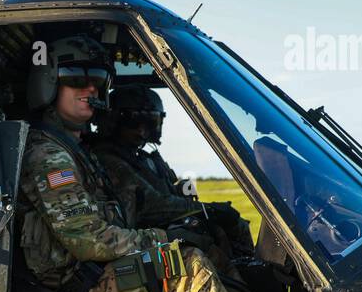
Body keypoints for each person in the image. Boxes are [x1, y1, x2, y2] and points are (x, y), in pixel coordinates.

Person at [18, 35, 300, 292]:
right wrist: (159, 242)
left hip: (99, 271)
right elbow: (88, 240)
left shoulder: (75, 148)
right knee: (182, 265)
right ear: (48, 85)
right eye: (75, 81)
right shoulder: (49, 154)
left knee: (213, 258)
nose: (90, 90)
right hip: (82, 282)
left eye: (97, 82)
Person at [88, 84, 253, 255]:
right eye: (133, 122)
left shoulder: (142, 158)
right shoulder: (107, 159)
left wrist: (178, 191)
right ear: (113, 121)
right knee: (211, 241)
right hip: (142, 239)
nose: (142, 131)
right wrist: (206, 209)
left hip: (159, 230)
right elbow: (152, 205)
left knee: (225, 228)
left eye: (150, 123)